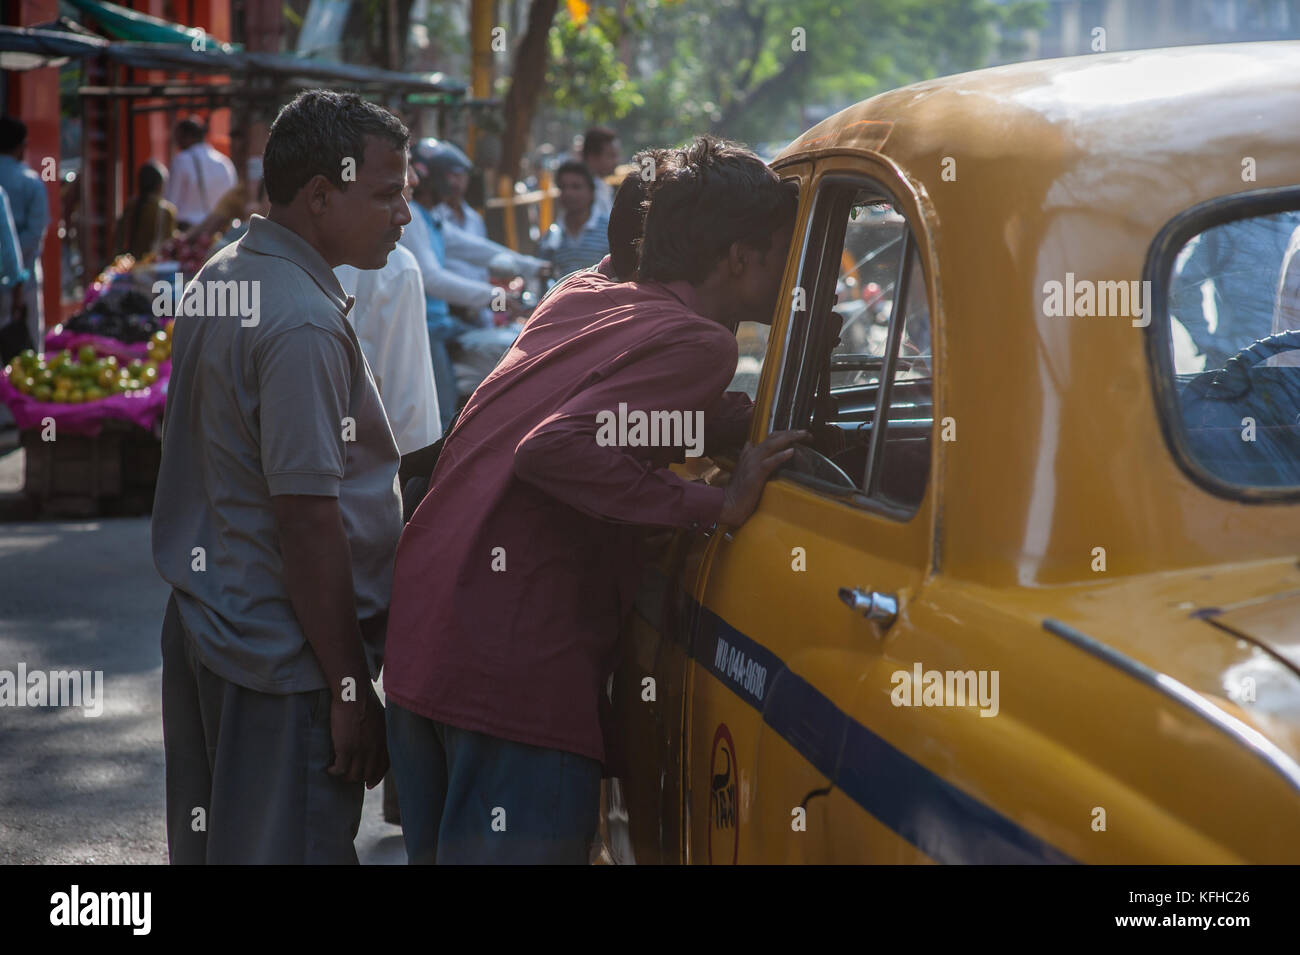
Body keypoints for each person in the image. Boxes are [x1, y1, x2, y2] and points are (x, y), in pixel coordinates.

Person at [382, 135, 807, 864]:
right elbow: (555, 446)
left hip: (425, 642)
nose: (798, 274)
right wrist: (717, 504)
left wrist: (738, 423)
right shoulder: (699, 343)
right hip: (511, 669)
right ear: (739, 257)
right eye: (783, 250)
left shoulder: (582, 294)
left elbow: (610, 413)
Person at [152, 90, 410, 864]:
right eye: (387, 193)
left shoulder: (228, 272)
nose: (401, 215)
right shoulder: (298, 318)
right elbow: (306, 522)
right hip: (278, 656)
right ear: (321, 194)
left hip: (212, 626)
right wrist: (347, 687)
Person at [0, 116, 50, 355]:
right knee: (27, 351)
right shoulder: (31, 182)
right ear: (22, 146)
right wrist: (16, 273)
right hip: (24, 279)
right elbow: (36, 231)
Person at [536, 160, 609, 279]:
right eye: (563, 187)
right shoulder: (551, 237)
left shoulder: (609, 231)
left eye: (576, 187)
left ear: (591, 192)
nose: (568, 193)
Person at [165, 117, 238, 231]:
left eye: (178, 138)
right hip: (221, 231)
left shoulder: (181, 160)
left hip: (188, 231)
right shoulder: (224, 162)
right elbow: (233, 199)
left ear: (188, 136)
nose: (177, 143)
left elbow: (171, 203)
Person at [114, 161, 177, 260]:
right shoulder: (166, 210)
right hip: (154, 267)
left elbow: (119, 237)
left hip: (129, 264)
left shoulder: (130, 205)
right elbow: (168, 245)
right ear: (159, 185)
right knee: (180, 274)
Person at [581, 126, 620, 219]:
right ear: (592, 158)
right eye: (611, 155)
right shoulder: (584, 192)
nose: (616, 161)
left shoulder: (602, 187)